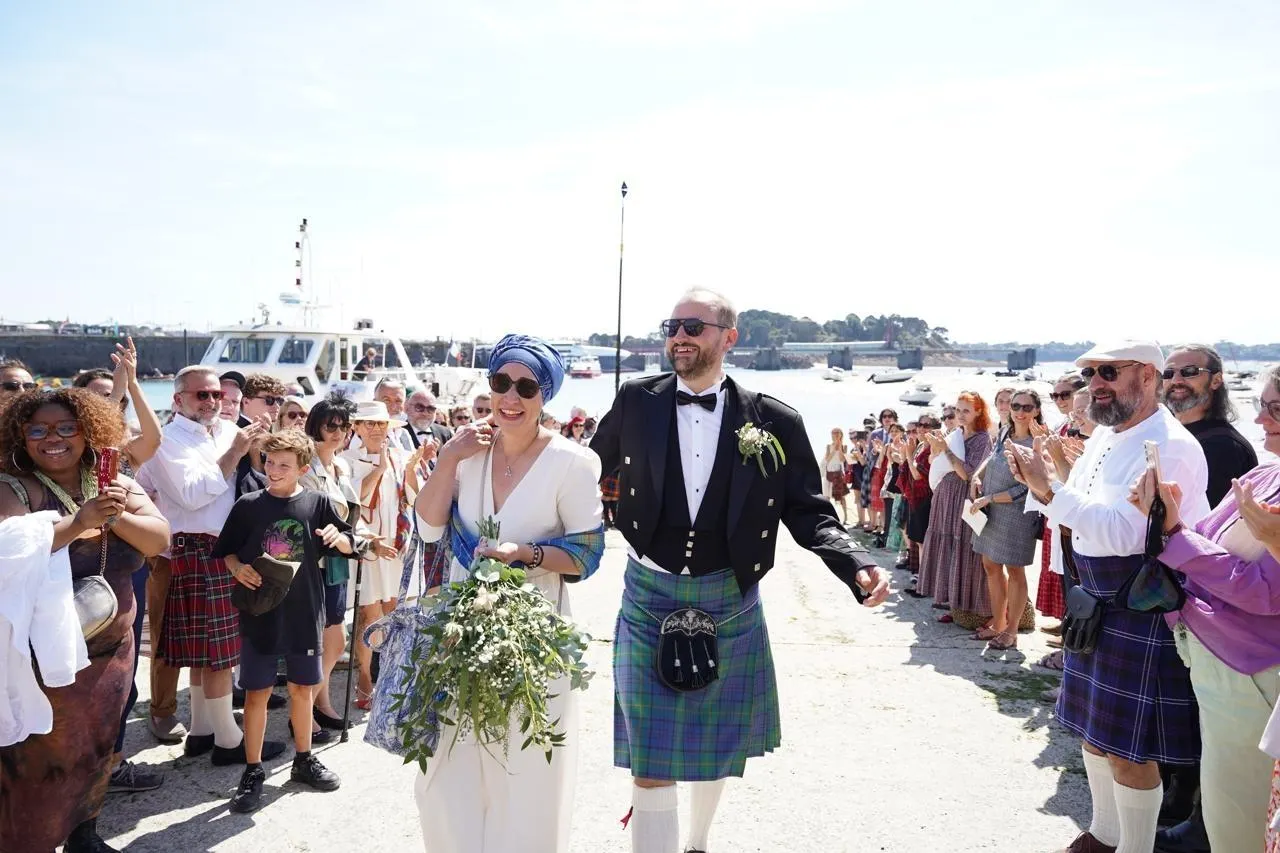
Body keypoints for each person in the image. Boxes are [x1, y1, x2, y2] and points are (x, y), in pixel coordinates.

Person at [590, 289, 890, 853]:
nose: (678, 335)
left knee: (715, 744)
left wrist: (856, 563)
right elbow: (586, 473)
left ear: (729, 337)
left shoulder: (774, 420)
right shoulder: (636, 401)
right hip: (649, 589)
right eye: (671, 325)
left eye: (693, 326)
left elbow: (809, 510)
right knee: (651, 757)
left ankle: (698, 844)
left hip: (729, 593)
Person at [1009, 340, 1209, 853]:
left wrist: (1051, 490)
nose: (1094, 383)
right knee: (1093, 734)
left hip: (1137, 604)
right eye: (1089, 374)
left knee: (1129, 750)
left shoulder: (1171, 445)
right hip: (1095, 597)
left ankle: (1133, 849)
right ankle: (1103, 834)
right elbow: (1084, 508)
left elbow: (1127, 536)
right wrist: (1050, 484)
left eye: (1107, 372)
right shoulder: (1105, 434)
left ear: (1146, 375)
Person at [413, 334, 605, 853]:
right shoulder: (468, 451)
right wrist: (450, 458)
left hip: (533, 640)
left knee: (525, 769)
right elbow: (429, 529)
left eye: (526, 387)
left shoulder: (573, 462)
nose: (511, 398)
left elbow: (586, 556)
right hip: (459, 632)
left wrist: (525, 554)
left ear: (546, 395)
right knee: (446, 769)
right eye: (501, 383)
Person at [0, 388, 170, 853]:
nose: (51, 438)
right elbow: (6, 552)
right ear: (21, 436)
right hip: (45, 660)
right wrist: (78, 523)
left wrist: (112, 518)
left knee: (96, 748)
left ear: (87, 431)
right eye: (37, 429)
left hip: (111, 651)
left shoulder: (111, 480)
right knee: (39, 757)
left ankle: (84, 835)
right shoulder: (14, 487)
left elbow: (158, 539)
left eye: (65, 428)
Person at [1127, 364, 1280, 853]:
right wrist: (1170, 518)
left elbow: (1266, 592)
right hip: (1218, 662)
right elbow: (1205, 540)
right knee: (1224, 809)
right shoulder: (1264, 471)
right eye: (1262, 406)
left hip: (1250, 674)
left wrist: (1175, 536)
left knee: (1241, 822)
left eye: (1275, 408)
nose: (1261, 421)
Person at [138, 367, 284, 765]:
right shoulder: (167, 441)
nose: (212, 402)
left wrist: (250, 443)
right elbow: (190, 496)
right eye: (202, 395)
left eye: (217, 395)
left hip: (222, 546)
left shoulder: (221, 430)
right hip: (199, 547)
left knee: (208, 651)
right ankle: (228, 740)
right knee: (218, 654)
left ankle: (203, 730)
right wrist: (236, 449)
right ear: (177, 399)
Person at [214, 431, 357, 813]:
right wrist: (238, 569)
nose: (273, 470)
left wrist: (338, 537)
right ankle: (253, 770)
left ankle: (303, 760)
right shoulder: (247, 505)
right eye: (269, 462)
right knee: (257, 694)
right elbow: (226, 551)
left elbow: (350, 544)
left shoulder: (318, 503)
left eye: (284, 465)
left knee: (302, 689)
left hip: (304, 613)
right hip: (259, 613)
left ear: (303, 469)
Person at [342, 400, 413, 708]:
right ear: (355, 426)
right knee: (370, 615)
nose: (375, 429)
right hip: (366, 545)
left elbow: (412, 497)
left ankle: (391, 676)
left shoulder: (401, 455)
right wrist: (380, 469)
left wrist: (412, 470)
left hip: (396, 545)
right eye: (368, 423)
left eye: (381, 423)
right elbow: (352, 502)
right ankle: (366, 679)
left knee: (394, 609)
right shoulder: (345, 459)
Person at [970, 389, 1044, 649]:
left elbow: (1025, 489)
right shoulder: (1004, 432)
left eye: (1026, 407)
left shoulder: (1038, 441)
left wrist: (988, 499)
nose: (1020, 412)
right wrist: (977, 476)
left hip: (1018, 515)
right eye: (1016, 406)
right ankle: (998, 623)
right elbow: (992, 456)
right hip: (991, 510)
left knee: (1014, 570)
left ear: (1036, 410)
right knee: (989, 564)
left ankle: (1011, 631)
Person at [916, 393, 992, 622]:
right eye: (958, 410)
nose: (960, 415)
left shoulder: (981, 439)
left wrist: (945, 450)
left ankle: (969, 608)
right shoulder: (956, 434)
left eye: (966, 410)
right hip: (944, 497)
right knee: (947, 547)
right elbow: (932, 463)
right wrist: (937, 449)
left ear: (979, 412)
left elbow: (967, 473)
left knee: (963, 549)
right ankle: (954, 605)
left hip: (961, 498)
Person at [1162, 344, 1257, 508]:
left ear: (1216, 380)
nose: (1176, 380)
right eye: (1168, 373)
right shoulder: (1172, 435)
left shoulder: (1223, 448)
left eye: (1190, 372)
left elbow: (1212, 525)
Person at [1036, 373, 1090, 638]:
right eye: (1054, 395)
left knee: (1073, 573)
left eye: (1064, 395)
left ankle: (1072, 631)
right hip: (1057, 507)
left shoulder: (1085, 432)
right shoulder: (1062, 426)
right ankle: (1066, 621)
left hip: (1073, 512)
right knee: (1061, 569)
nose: (1059, 400)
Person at [899, 415, 936, 591]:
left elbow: (918, 476)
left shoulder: (931, 449)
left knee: (924, 542)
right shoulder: (922, 446)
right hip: (916, 498)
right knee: (920, 541)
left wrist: (908, 454)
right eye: (919, 425)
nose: (921, 429)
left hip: (926, 498)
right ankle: (922, 580)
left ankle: (924, 583)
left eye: (926, 426)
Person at [822, 427, 850, 522]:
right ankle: (828, 516)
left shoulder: (844, 446)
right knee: (827, 496)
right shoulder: (828, 446)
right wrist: (834, 449)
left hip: (838, 473)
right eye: (833, 433)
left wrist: (840, 446)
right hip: (829, 473)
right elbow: (827, 459)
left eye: (837, 433)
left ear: (841, 435)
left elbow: (842, 459)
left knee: (841, 496)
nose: (835, 435)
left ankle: (846, 517)